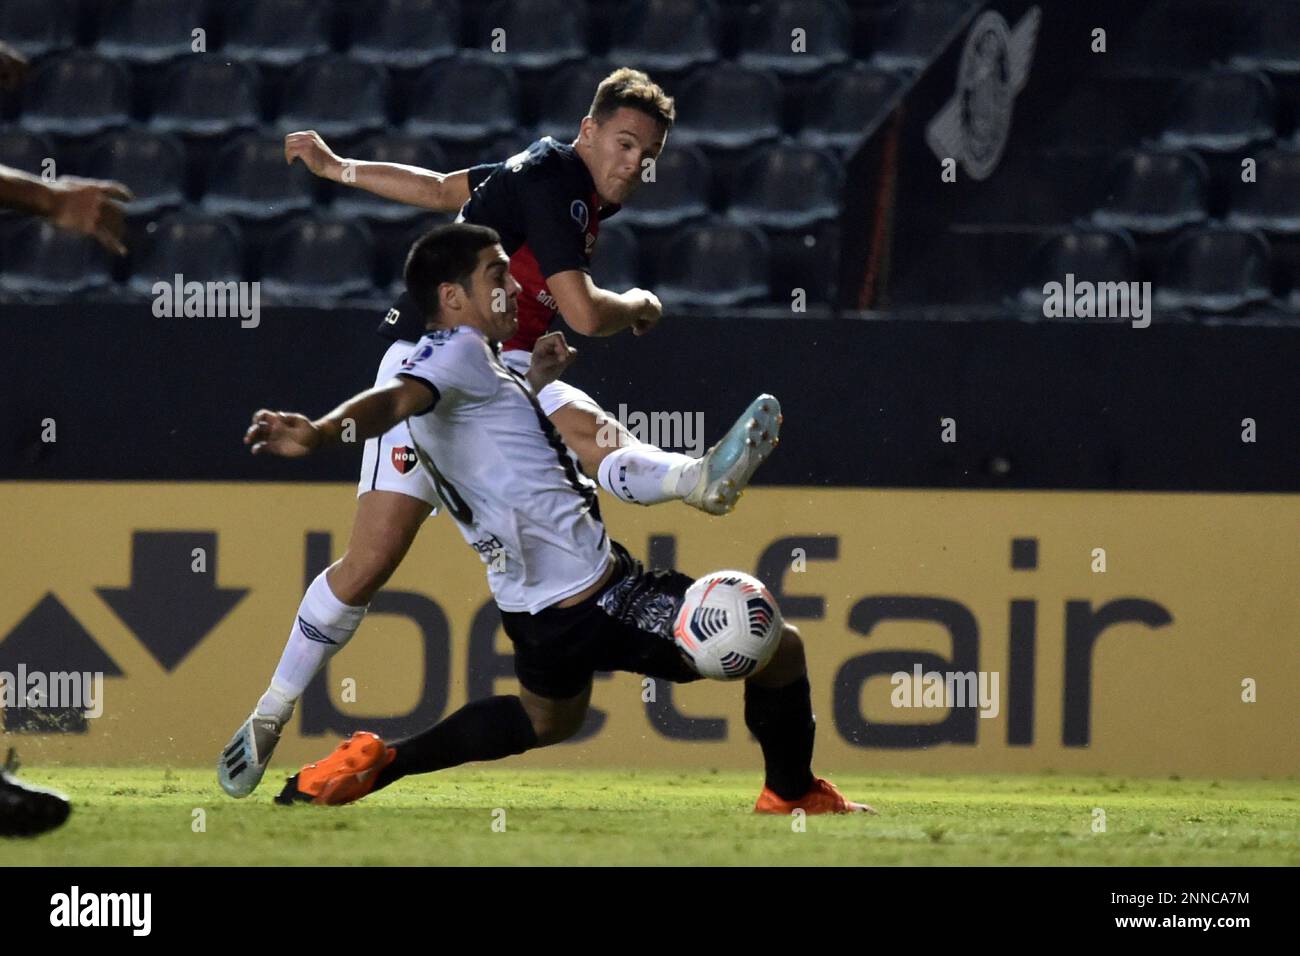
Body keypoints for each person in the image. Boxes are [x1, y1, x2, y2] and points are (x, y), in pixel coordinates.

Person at [219, 68, 780, 797]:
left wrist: (337, 168)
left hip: (430, 368)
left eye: (648, 154)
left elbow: (443, 189)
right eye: (623, 142)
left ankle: (269, 716)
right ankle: (690, 481)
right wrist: (640, 303)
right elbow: (581, 311)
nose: (633, 163)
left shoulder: (532, 173)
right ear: (587, 132)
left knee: (368, 567)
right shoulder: (562, 185)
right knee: (568, 425)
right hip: (459, 364)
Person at [242, 224, 873, 815]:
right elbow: (396, 399)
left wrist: (537, 379)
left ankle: (378, 765)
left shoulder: (487, 368)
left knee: (548, 721)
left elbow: (481, 438)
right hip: (599, 598)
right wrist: (323, 432)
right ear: (452, 296)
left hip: (536, 612)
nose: (515, 286)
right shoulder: (455, 354)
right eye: (497, 274)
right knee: (782, 648)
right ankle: (790, 794)